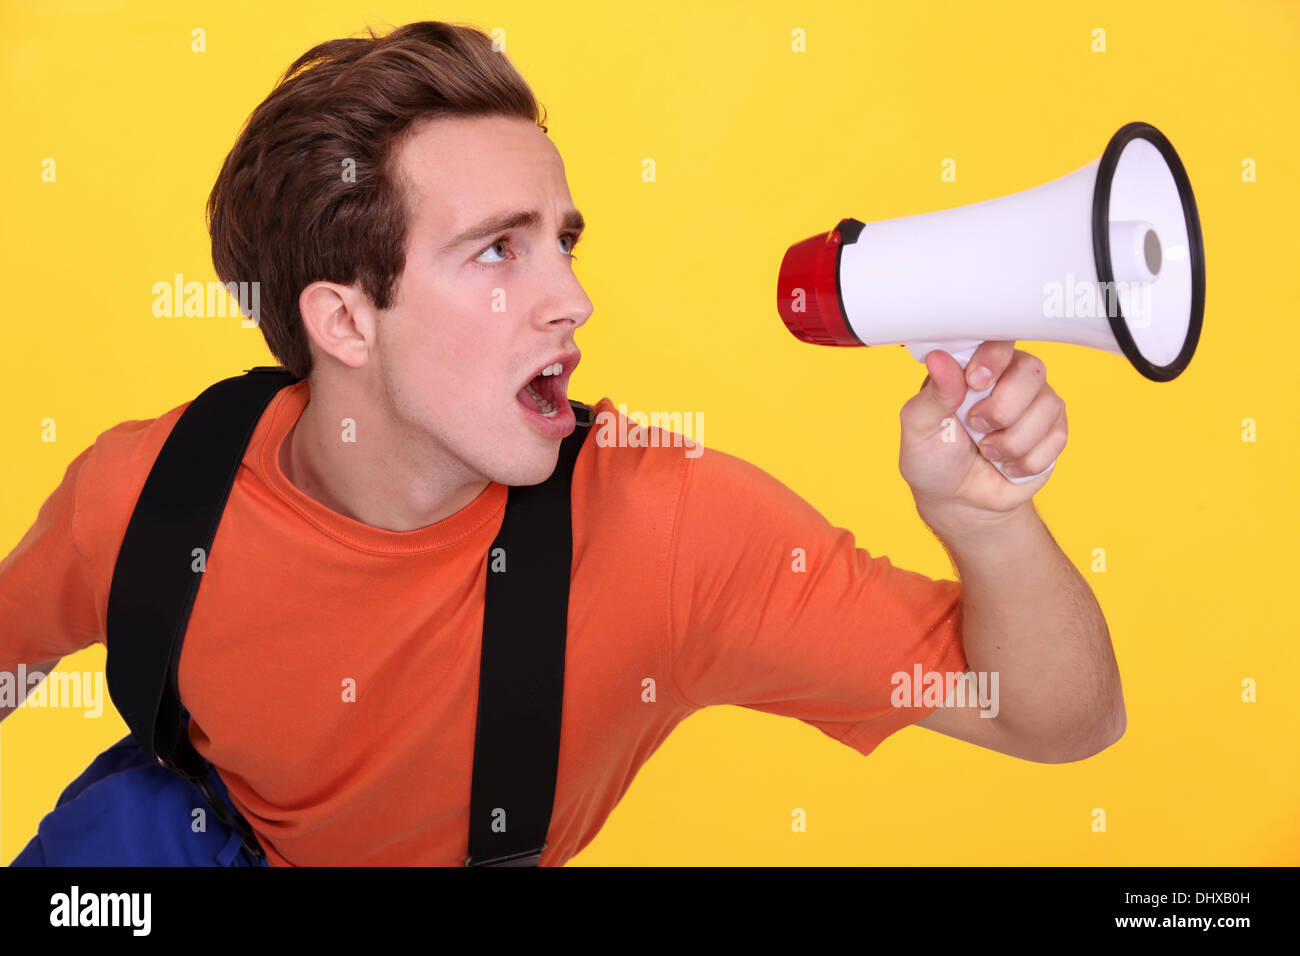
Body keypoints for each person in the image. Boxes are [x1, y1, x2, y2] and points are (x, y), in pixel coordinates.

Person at [0, 20, 1123, 866]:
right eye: (499, 252)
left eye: (563, 241)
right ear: (343, 320)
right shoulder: (150, 489)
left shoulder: (671, 528)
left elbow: (1058, 717)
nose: (573, 300)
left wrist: (987, 514)